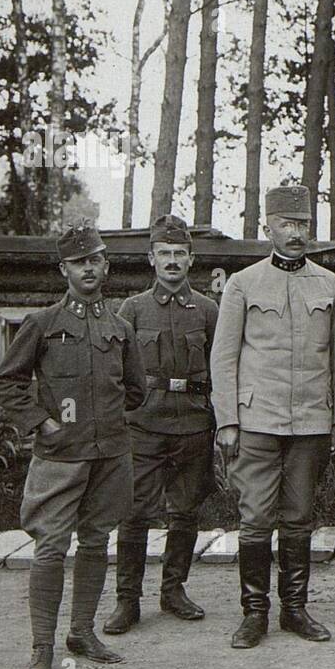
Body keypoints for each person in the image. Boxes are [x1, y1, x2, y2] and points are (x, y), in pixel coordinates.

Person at [0, 223, 147, 669]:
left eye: (95, 260)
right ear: (64, 269)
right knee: (51, 549)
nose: (89, 269)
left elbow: (135, 389)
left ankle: (82, 633)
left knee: (97, 542)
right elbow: (7, 382)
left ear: (106, 265)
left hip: (111, 454)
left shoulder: (119, 327)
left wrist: (108, 417)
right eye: (79, 262)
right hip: (60, 457)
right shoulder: (42, 324)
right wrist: (43, 421)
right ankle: (42, 649)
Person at [210, 185, 335, 649]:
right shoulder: (243, 284)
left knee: (299, 518)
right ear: (267, 227)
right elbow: (224, 358)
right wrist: (227, 420)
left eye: (304, 224)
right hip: (257, 420)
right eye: (287, 225)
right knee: (254, 520)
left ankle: (295, 609)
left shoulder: (329, 285)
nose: (296, 233)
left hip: (311, 420)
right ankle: (254, 614)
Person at [104, 215, 219, 634]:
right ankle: (127, 600)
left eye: (179, 254)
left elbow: (220, 369)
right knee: (134, 513)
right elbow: (116, 371)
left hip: (192, 424)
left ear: (191, 258)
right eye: (164, 254)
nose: (172, 261)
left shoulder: (208, 310)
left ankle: (174, 590)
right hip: (144, 425)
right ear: (151, 258)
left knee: (186, 512)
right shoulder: (131, 309)